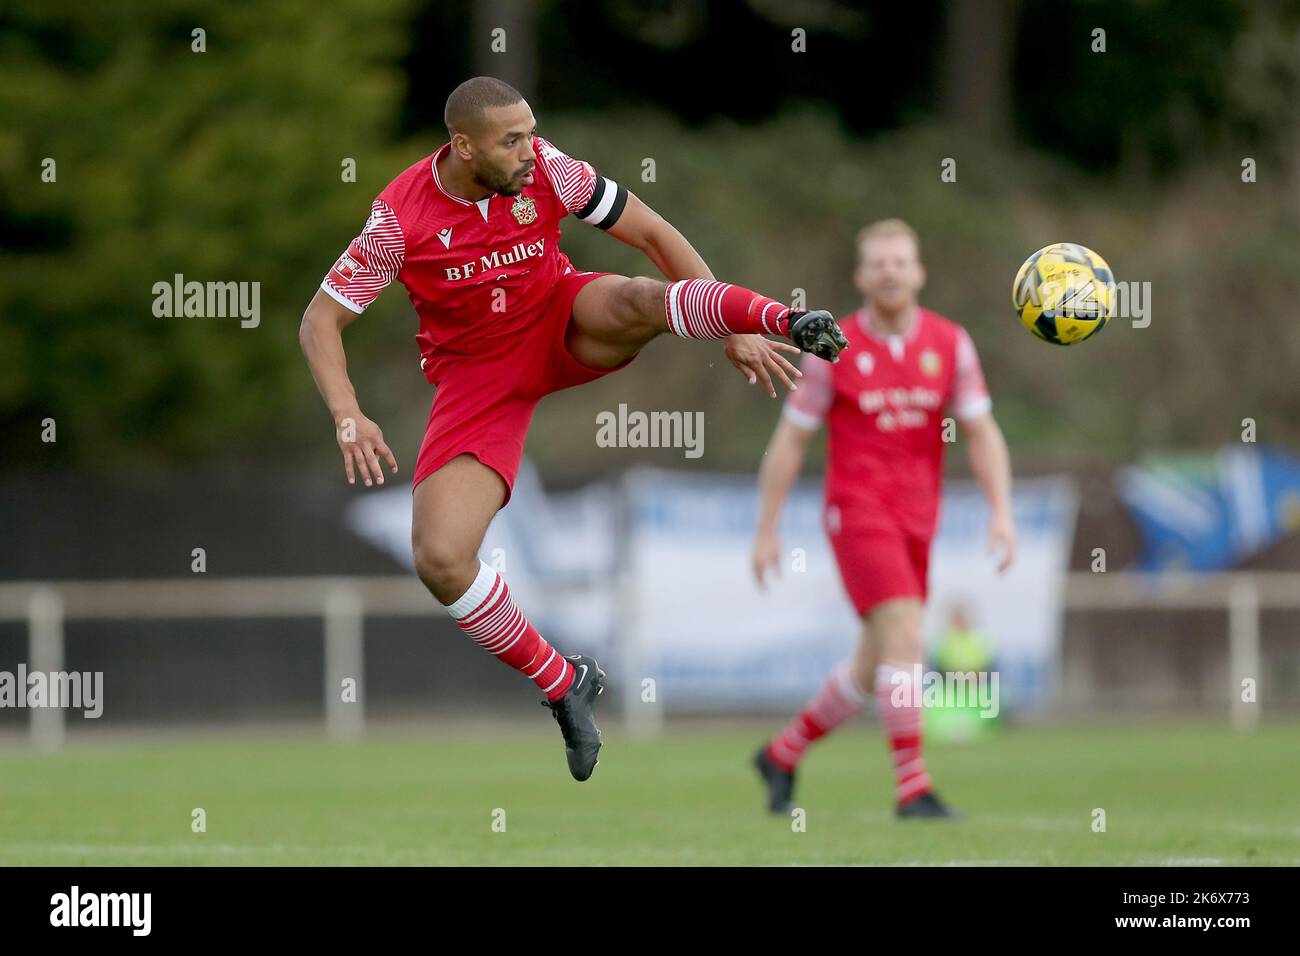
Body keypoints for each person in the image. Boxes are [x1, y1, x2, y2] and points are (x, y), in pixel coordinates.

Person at [299, 76, 848, 782]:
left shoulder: (551, 168)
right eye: (512, 139)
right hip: (479, 378)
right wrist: (348, 413)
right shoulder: (397, 220)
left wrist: (738, 328)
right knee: (440, 557)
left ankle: (787, 318)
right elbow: (321, 320)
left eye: (532, 130)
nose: (531, 150)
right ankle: (562, 681)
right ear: (463, 146)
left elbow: (650, 232)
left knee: (642, 298)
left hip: (563, 317)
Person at [751, 219, 1014, 818]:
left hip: (920, 517)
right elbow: (791, 440)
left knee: (874, 665)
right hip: (857, 513)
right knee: (907, 636)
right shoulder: (832, 345)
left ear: (919, 273)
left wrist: (1003, 511)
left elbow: (982, 431)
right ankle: (913, 789)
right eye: (878, 263)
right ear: (861, 277)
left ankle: (782, 754)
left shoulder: (951, 343)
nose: (890, 272)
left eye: (900, 262)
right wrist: (766, 528)